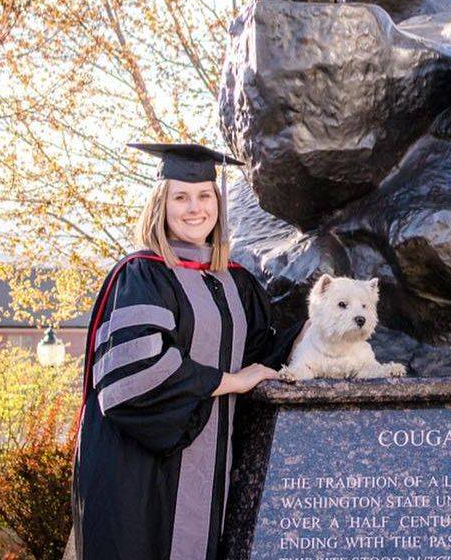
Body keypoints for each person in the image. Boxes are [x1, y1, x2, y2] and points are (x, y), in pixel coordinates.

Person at [72, 142, 301, 560]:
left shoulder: (236, 282)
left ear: (218, 203)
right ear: (161, 205)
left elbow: (264, 353)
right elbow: (133, 380)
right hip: (139, 478)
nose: (194, 208)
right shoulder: (142, 275)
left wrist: (326, 323)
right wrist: (231, 381)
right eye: (180, 197)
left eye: (204, 196)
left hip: (210, 473)